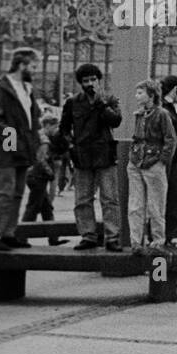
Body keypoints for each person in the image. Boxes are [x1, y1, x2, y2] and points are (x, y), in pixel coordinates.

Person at [57, 63, 123, 251]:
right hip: (82, 156)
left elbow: (116, 121)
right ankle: (88, 235)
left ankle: (112, 237)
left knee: (110, 198)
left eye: (93, 79)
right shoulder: (72, 103)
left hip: (105, 155)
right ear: (81, 83)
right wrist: (71, 146)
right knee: (82, 199)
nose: (90, 84)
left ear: (99, 80)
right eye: (86, 81)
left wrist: (101, 104)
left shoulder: (109, 99)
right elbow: (63, 129)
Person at [0, 48, 42, 251]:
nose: (35, 71)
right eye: (33, 66)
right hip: (7, 151)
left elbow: (33, 120)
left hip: (23, 150)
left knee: (17, 194)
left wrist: (32, 145)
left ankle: (8, 233)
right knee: (4, 193)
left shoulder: (27, 89)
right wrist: (12, 144)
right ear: (22, 65)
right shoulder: (0, 88)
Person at [126, 79, 177, 254]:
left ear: (151, 95)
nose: (137, 96)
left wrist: (163, 160)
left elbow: (170, 138)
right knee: (135, 204)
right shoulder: (139, 114)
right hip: (136, 161)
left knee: (156, 205)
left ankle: (157, 240)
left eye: (140, 93)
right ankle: (136, 241)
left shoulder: (162, 114)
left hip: (153, 162)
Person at [159, 75, 177, 246]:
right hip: (170, 156)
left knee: (166, 195)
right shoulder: (167, 108)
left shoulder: (162, 106)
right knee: (171, 196)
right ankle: (171, 234)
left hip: (167, 156)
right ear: (175, 89)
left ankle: (162, 234)